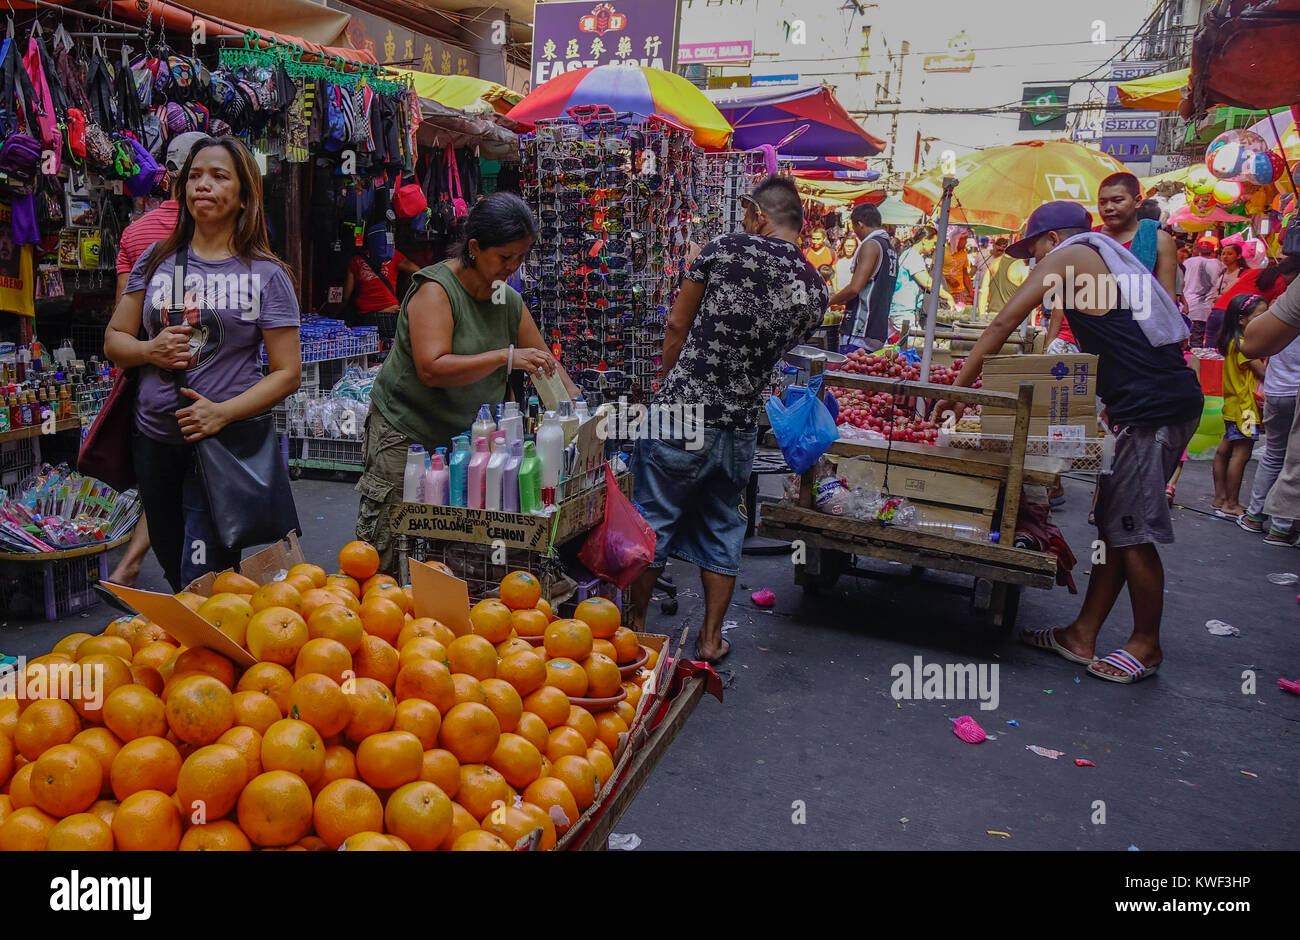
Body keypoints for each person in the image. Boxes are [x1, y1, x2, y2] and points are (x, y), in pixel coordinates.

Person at [933, 202, 1203, 685]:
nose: (1032, 262)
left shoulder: (1069, 256)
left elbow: (1001, 325)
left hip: (1153, 410)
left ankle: (1147, 644)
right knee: (1114, 526)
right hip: (1146, 405)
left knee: (1133, 531)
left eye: (1033, 249)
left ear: (1053, 239)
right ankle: (1081, 633)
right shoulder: (1102, 259)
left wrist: (957, 391)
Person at [629, 176, 827, 663]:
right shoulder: (815, 290)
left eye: (746, 215)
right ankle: (711, 638)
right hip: (739, 422)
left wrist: (671, 388)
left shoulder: (725, 249)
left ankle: (633, 628)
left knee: (652, 520)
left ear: (758, 215)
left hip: (683, 410)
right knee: (723, 526)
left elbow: (677, 324)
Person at [104, 136, 302, 591]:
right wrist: (148, 350)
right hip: (154, 439)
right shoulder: (157, 261)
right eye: (194, 176)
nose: (203, 186)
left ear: (244, 194)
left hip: (221, 444)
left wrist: (222, 412)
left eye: (218, 176)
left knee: (205, 577)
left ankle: (213, 653)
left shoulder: (265, 275)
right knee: (176, 568)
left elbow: (287, 372)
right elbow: (115, 339)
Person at [358, 193, 578, 575]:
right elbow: (432, 367)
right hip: (406, 434)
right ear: (475, 248)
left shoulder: (505, 299)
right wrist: (504, 357)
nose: (512, 268)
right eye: (504, 257)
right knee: (389, 544)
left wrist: (578, 409)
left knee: (456, 551)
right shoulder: (436, 290)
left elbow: (547, 365)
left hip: (466, 444)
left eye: (521, 258)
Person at [104, 133, 201, 586]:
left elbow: (124, 315)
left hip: (151, 380)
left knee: (164, 492)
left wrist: (147, 348)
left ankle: (140, 565)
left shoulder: (137, 231)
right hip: (199, 383)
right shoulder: (224, 233)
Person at [1240, 272, 1300, 537]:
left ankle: (1255, 514)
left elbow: (1253, 347)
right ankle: (1283, 525)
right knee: (1291, 457)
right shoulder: (1286, 315)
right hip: (1292, 392)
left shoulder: (1278, 315)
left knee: (1276, 453)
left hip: (1277, 391)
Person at [1211, 294, 1267, 519]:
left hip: (1234, 405)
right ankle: (1231, 503)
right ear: (1242, 320)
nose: (1265, 320)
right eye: (1260, 316)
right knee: (1241, 454)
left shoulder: (1233, 342)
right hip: (1246, 407)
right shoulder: (1245, 345)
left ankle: (1220, 497)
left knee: (1224, 451)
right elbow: (1262, 372)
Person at [1095, 172, 1178, 302]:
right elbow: (1069, 292)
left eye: (1117, 201)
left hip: (1140, 319)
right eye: (1102, 202)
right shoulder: (1090, 237)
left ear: (1138, 201)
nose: (1108, 208)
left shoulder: (1159, 240)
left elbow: (1167, 296)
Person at [827, 203, 898, 353]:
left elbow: (854, 288)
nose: (856, 233)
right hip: (877, 328)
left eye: (855, 228)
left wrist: (829, 301)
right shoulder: (890, 248)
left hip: (860, 329)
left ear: (860, 224)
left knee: (846, 373)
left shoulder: (871, 245)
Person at [1206, 254, 1298, 347]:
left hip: (1217, 311)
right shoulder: (1281, 284)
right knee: (1235, 353)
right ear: (1294, 274)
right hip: (1238, 317)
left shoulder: (1254, 272)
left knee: (1209, 353)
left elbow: (1225, 290)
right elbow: (1273, 310)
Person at [890, 226, 952, 335]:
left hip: (901, 310)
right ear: (924, 241)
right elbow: (928, 283)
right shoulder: (913, 256)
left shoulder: (909, 253)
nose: (934, 247)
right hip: (904, 312)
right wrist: (948, 296)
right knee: (913, 345)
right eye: (933, 243)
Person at [343, 248, 420, 315]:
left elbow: (346, 296)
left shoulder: (355, 260)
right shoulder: (392, 254)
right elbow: (419, 273)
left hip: (365, 313)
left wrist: (336, 313)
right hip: (390, 310)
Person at [1182, 236, 1224, 347]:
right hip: (1203, 307)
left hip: (1185, 305)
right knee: (1197, 341)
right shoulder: (1215, 263)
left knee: (1185, 341)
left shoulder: (1187, 262)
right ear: (1213, 252)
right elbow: (1217, 283)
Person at [974, 236, 1027, 321]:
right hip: (1012, 319)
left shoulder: (993, 263)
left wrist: (981, 316)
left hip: (992, 317)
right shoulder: (1022, 266)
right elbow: (1026, 298)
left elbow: (982, 291)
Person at [942, 230, 973, 306]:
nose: (966, 242)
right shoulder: (942, 251)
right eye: (964, 239)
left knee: (960, 315)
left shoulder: (964, 253)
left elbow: (965, 273)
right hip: (944, 291)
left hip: (959, 292)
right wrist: (947, 278)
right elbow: (933, 271)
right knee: (944, 316)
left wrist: (970, 291)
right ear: (956, 240)